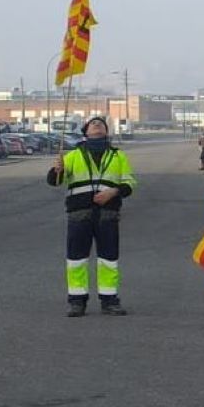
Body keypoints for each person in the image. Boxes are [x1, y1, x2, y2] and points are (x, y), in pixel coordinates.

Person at [47, 116, 136, 317]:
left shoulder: (118, 156)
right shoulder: (72, 156)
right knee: (76, 259)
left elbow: (129, 183)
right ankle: (77, 302)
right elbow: (54, 181)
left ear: (106, 131)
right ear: (85, 132)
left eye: (101, 124)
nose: (97, 126)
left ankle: (109, 300)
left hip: (108, 215)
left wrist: (112, 192)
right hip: (79, 214)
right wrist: (56, 169)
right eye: (93, 124)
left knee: (109, 259)